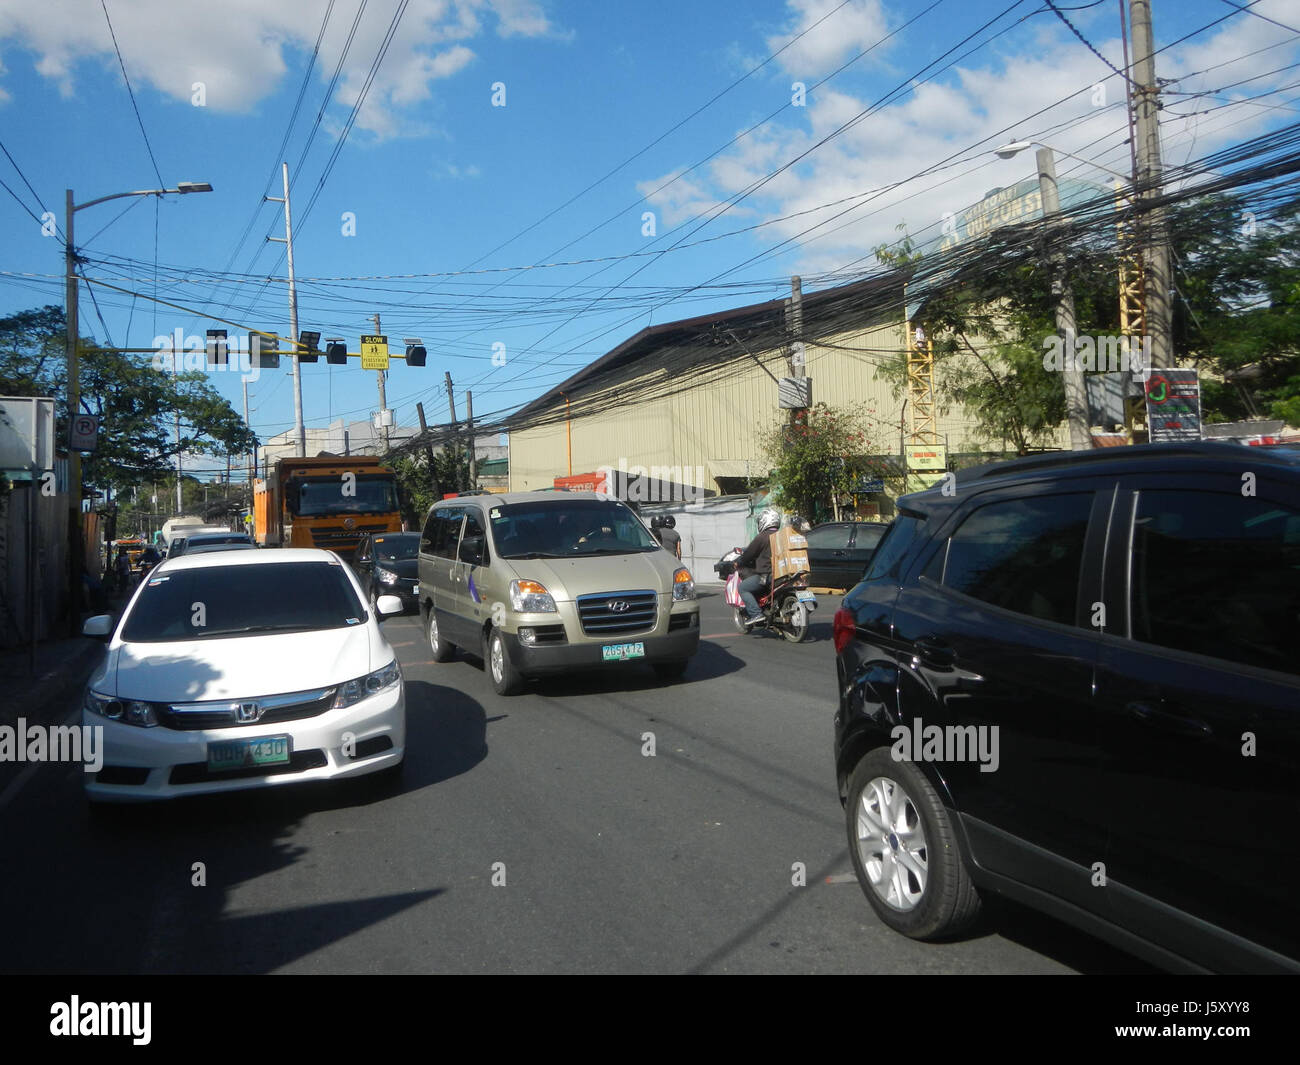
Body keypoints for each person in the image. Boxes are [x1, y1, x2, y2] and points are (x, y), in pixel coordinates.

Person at [735, 507, 781, 627]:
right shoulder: (782, 536)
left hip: (767, 576)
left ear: (764, 521)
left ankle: (756, 614)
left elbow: (748, 555)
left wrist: (739, 562)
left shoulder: (762, 537)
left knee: (742, 588)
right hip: (782, 575)